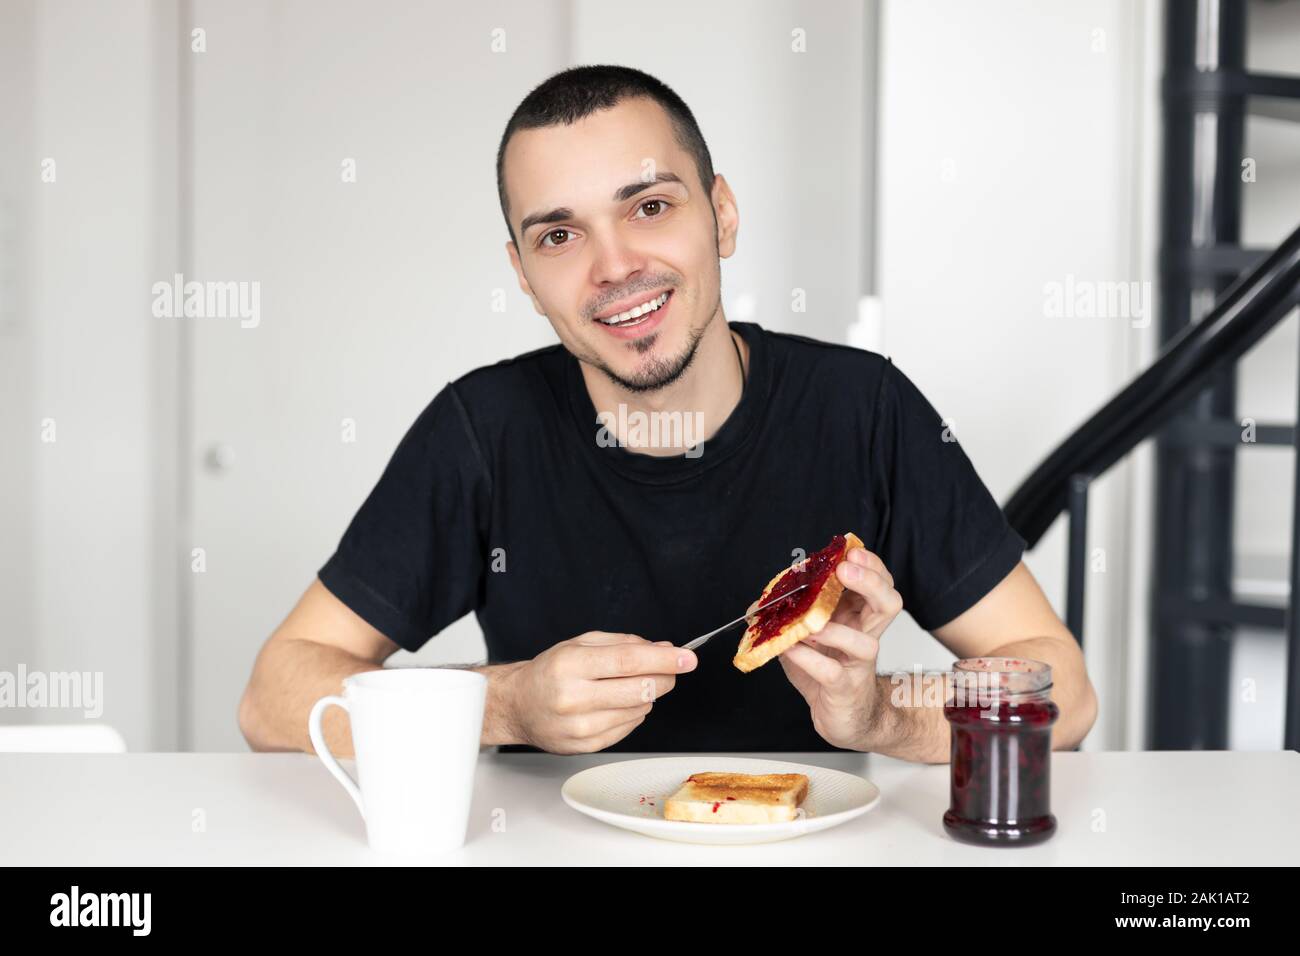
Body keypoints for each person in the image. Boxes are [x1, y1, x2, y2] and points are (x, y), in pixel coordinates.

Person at [238, 65, 1097, 761]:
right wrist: (506, 704)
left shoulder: (864, 408)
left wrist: (880, 719)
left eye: (650, 207)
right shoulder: (482, 430)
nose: (614, 266)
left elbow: (1065, 692)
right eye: (559, 235)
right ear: (524, 276)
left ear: (721, 215)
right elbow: (273, 698)